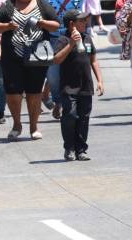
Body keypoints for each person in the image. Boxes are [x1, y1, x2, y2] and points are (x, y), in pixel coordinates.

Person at [0, 0, 60, 141]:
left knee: (34, 93)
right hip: (12, 58)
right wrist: (7, 26)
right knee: (13, 94)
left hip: (37, 56)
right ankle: (17, 125)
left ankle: (34, 127)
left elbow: (56, 25)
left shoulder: (41, 4)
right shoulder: (8, 6)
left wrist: (42, 23)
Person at [44, 0, 98, 117]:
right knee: (53, 75)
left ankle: (67, 103)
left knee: (75, 72)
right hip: (55, 39)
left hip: (74, 36)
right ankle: (58, 101)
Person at [53, 9, 103, 161]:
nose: (85, 23)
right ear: (71, 24)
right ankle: (69, 148)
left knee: (83, 118)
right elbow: (57, 59)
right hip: (69, 87)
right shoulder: (63, 40)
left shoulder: (87, 38)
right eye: (81, 20)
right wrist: (71, 44)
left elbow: (93, 60)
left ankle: (81, 149)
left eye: (85, 20)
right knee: (70, 116)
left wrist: (100, 80)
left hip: (85, 86)